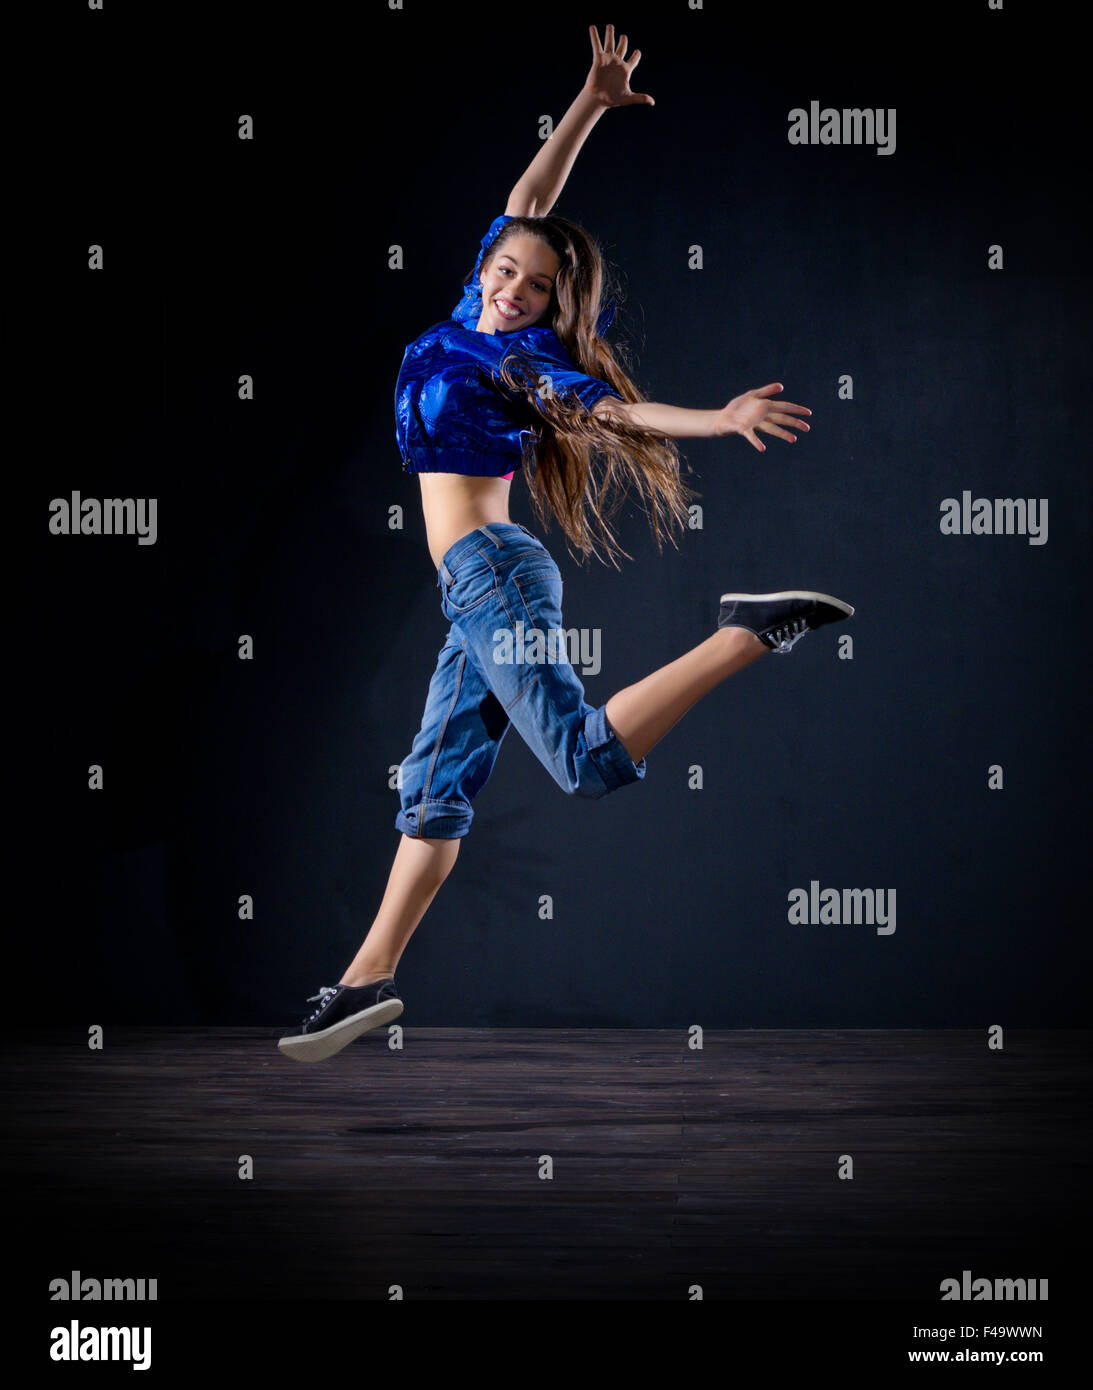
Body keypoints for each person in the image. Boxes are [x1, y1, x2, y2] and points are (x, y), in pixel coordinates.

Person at [278, 24, 853, 1062]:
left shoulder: (529, 367)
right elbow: (528, 205)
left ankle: (745, 634)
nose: (510, 288)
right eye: (504, 271)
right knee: (431, 788)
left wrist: (718, 421)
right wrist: (588, 102)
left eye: (533, 286)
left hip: (494, 577)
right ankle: (364, 984)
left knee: (584, 763)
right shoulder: (468, 318)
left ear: (556, 304)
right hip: (471, 593)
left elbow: (617, 416)